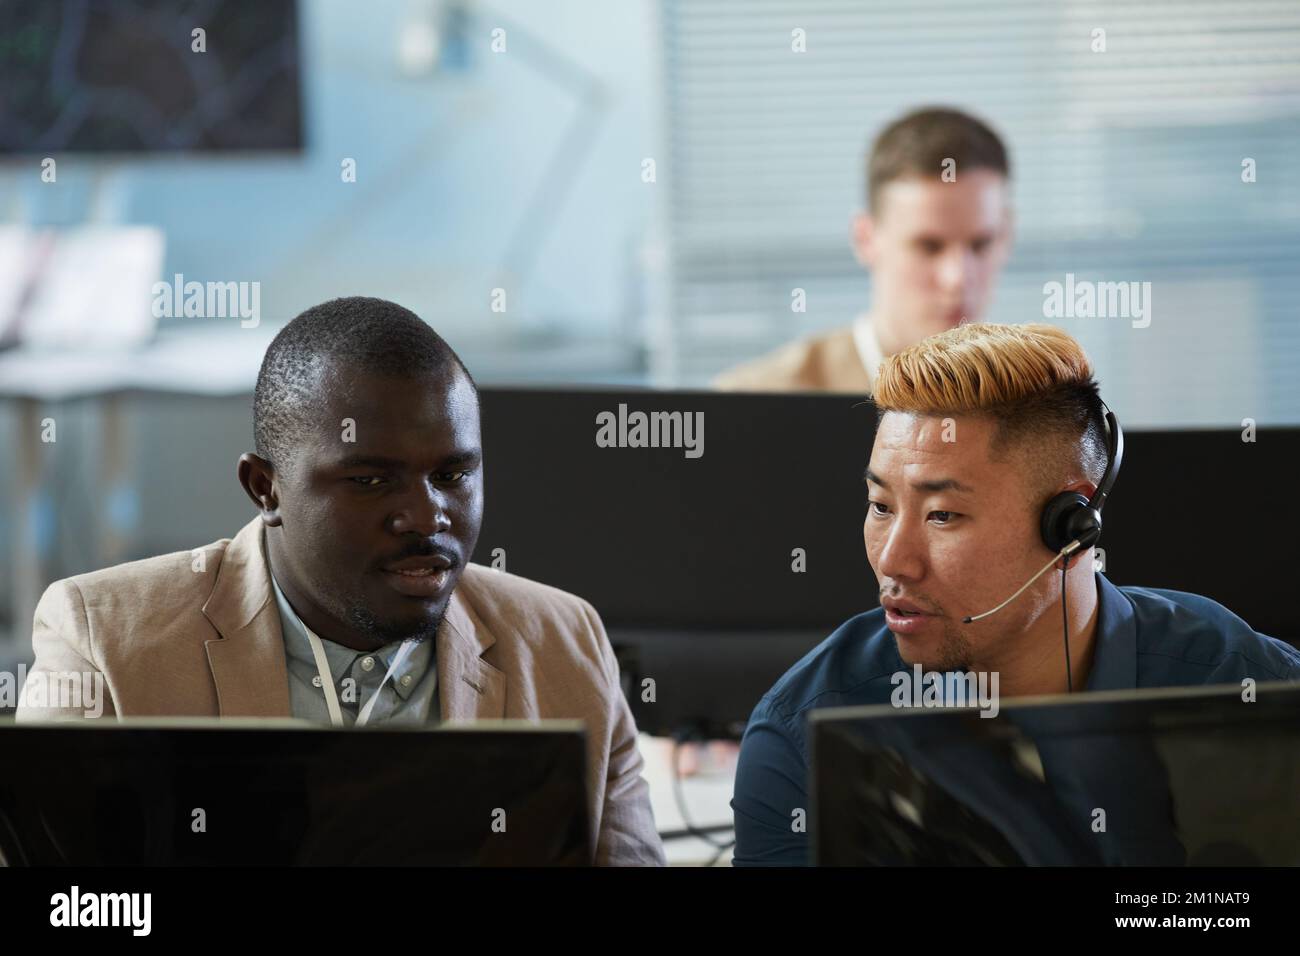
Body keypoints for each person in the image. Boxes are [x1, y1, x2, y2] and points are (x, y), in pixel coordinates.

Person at [19, 296, 666, 867]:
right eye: (370, 480)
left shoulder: (562, 642)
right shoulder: (103, 641)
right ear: (265, 488)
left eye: (452, 475)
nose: (426, 516)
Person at [730, 322, 1300, 866]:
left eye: (943, 515)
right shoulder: (808, 730)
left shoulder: (1236, 680)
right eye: (880, 506)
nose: (891, 560)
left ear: (1069, 525)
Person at [714, 107, 1013, 393]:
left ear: (1006, 235)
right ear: (866, 239)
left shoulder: (1041, 408)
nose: (957, 278)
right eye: (929, 246)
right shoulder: (755, 400)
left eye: (981, 244)